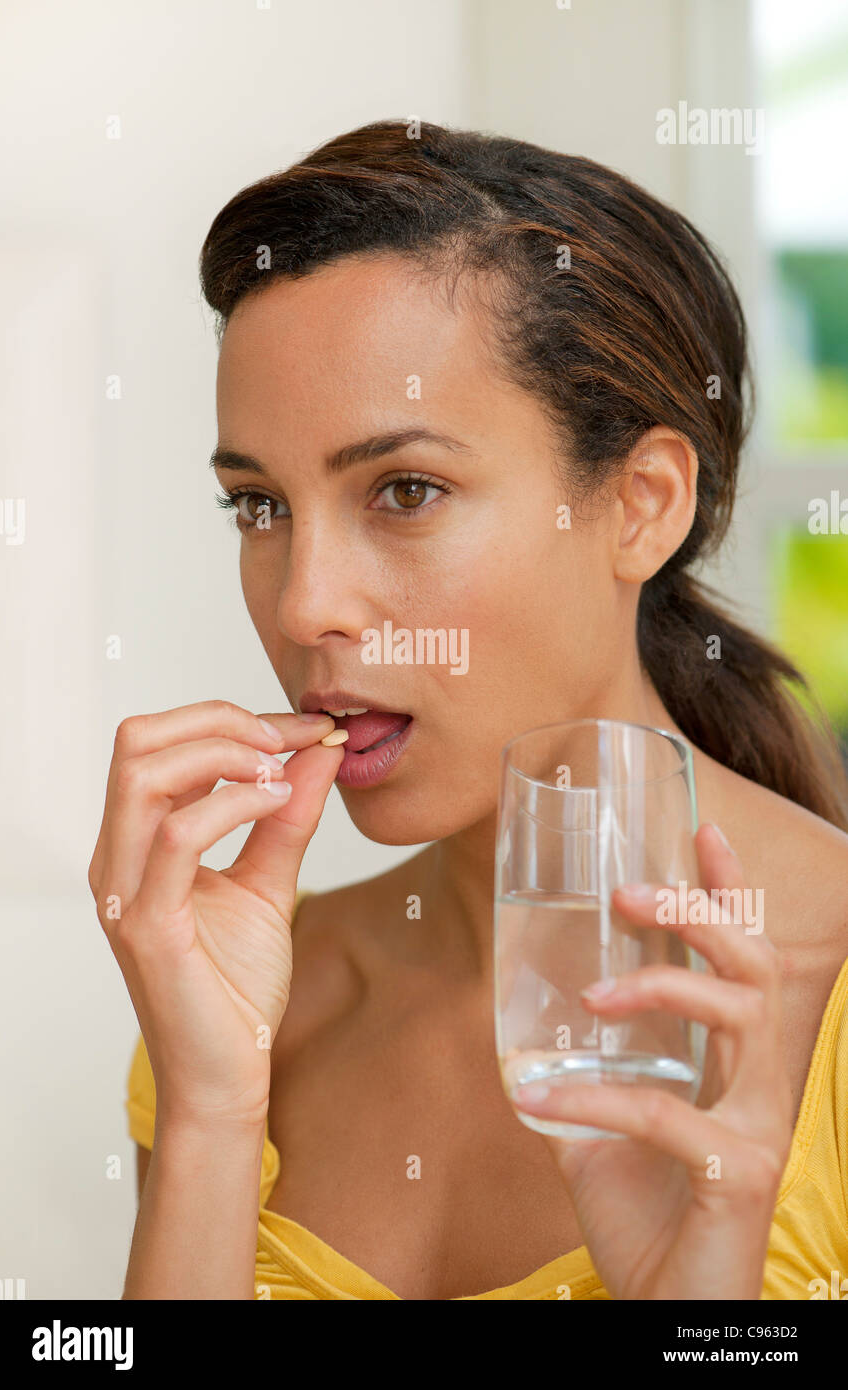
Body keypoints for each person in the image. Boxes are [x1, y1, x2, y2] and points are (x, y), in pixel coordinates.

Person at [89, 120, 848, 1301]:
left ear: (639, 505)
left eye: (403, 489)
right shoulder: (250, 1003)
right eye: (258, 505)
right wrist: (207, 1109)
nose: (303, 607)